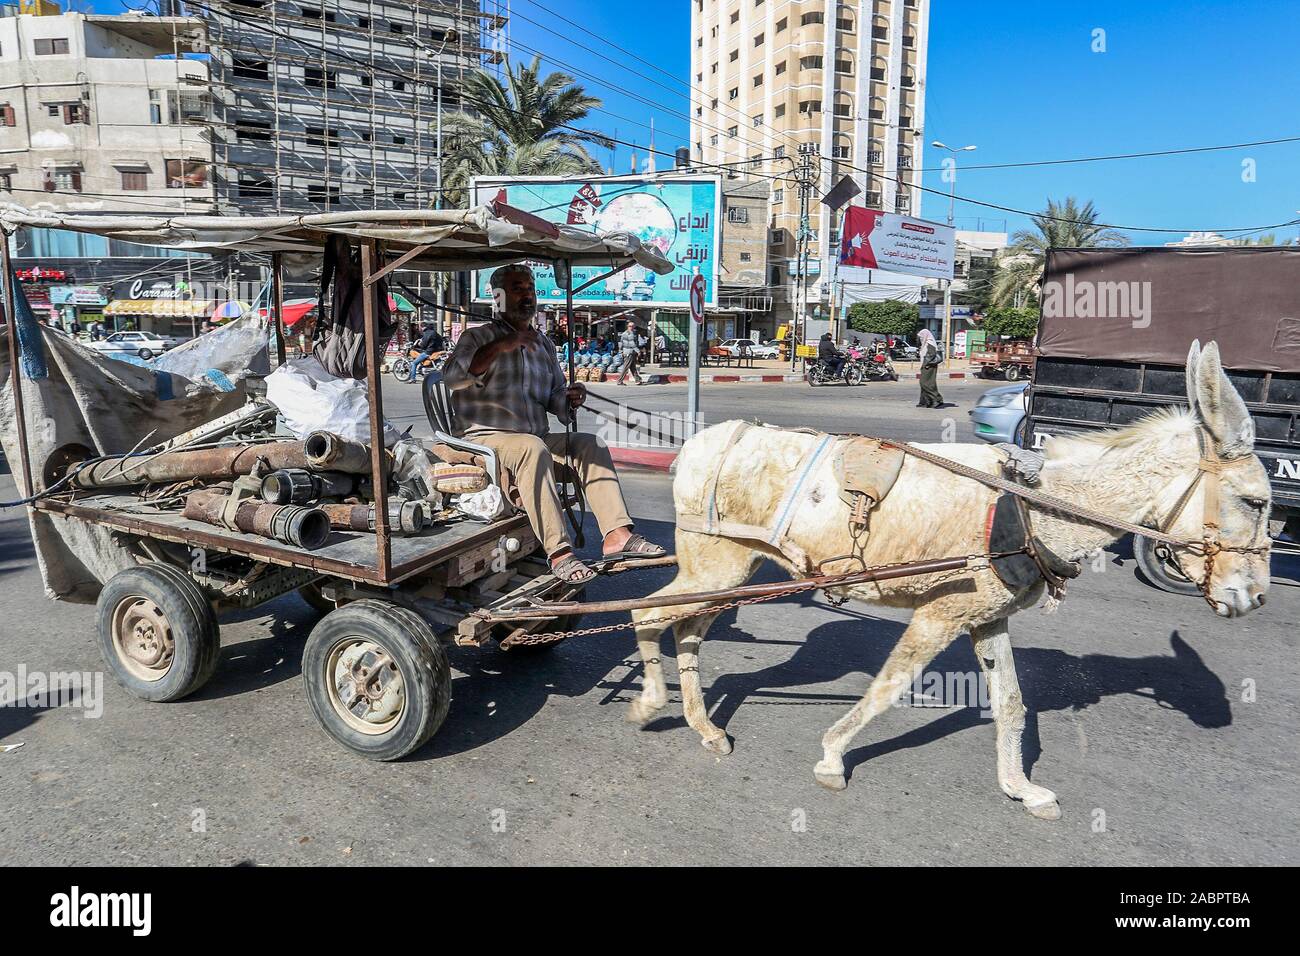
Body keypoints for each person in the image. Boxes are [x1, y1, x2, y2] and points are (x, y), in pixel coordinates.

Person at [443, 264, 666, 583]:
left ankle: (617, 536)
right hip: (484, 440)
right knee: (531, 448)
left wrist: (569, 397)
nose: (527, 295)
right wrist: (498, 347)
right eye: (518, 288)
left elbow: (554, 398)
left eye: (530, 289)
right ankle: (559, 552)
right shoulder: (476, 337)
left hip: (533, 440)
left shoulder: (543, 344)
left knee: (590, 444)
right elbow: (453, 379)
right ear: (499, 296)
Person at [917, 328, 944, 408]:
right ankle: (925, 402)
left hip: (929, 366)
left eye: (921, 337)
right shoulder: (925, 344)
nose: (921, 339)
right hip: (926, 366)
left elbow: (931, 354)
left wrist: (926, 364)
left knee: (925, 383)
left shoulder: (930, 343)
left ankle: (937, 399)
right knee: (926, 384)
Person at [616, 320, 644, 385]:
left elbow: (620, 343)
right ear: (627, 326)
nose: (631, 327)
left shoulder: (624, 333)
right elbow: (632, 344)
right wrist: (638, 351)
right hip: (629, 353)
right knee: (626, 368)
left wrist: (621, 351)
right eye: (630, 326)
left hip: (628, 352)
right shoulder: (630, 334)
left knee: (632, 367)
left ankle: (637, 380)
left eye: (632, 326)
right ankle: (620, 381)